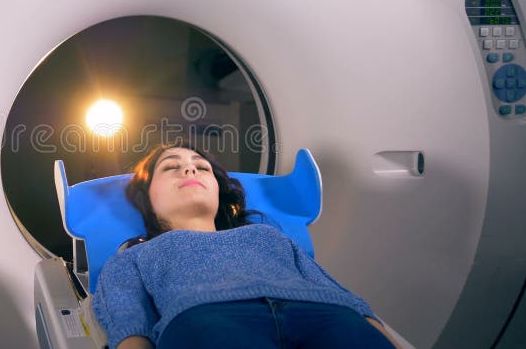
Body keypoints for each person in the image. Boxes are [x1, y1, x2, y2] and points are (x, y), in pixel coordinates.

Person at [91, 142, 401, 349]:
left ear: (217, 189)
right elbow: (129, 321)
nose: (190, 169)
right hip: (208, 320)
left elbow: (344, 298)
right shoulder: (135, 254)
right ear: (149, 196)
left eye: (202, 166)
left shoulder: (268, 236)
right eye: (171, 167)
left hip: (325, 314)